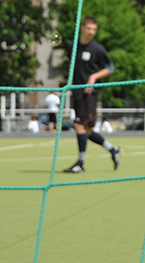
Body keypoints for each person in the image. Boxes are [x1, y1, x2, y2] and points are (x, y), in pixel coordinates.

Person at [63, 16, 121, 173]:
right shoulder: (73, 46)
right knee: (86, 130)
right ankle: (113, 149)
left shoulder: (97, 49)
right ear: (82, 28)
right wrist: (70, 81)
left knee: (79, 125)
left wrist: (93, 77)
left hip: (89, 93)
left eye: (94, 30)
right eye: (89, 29)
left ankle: (80, 163)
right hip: (77, 91)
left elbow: (110, 67)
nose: (91, 32)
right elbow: (71, 64)